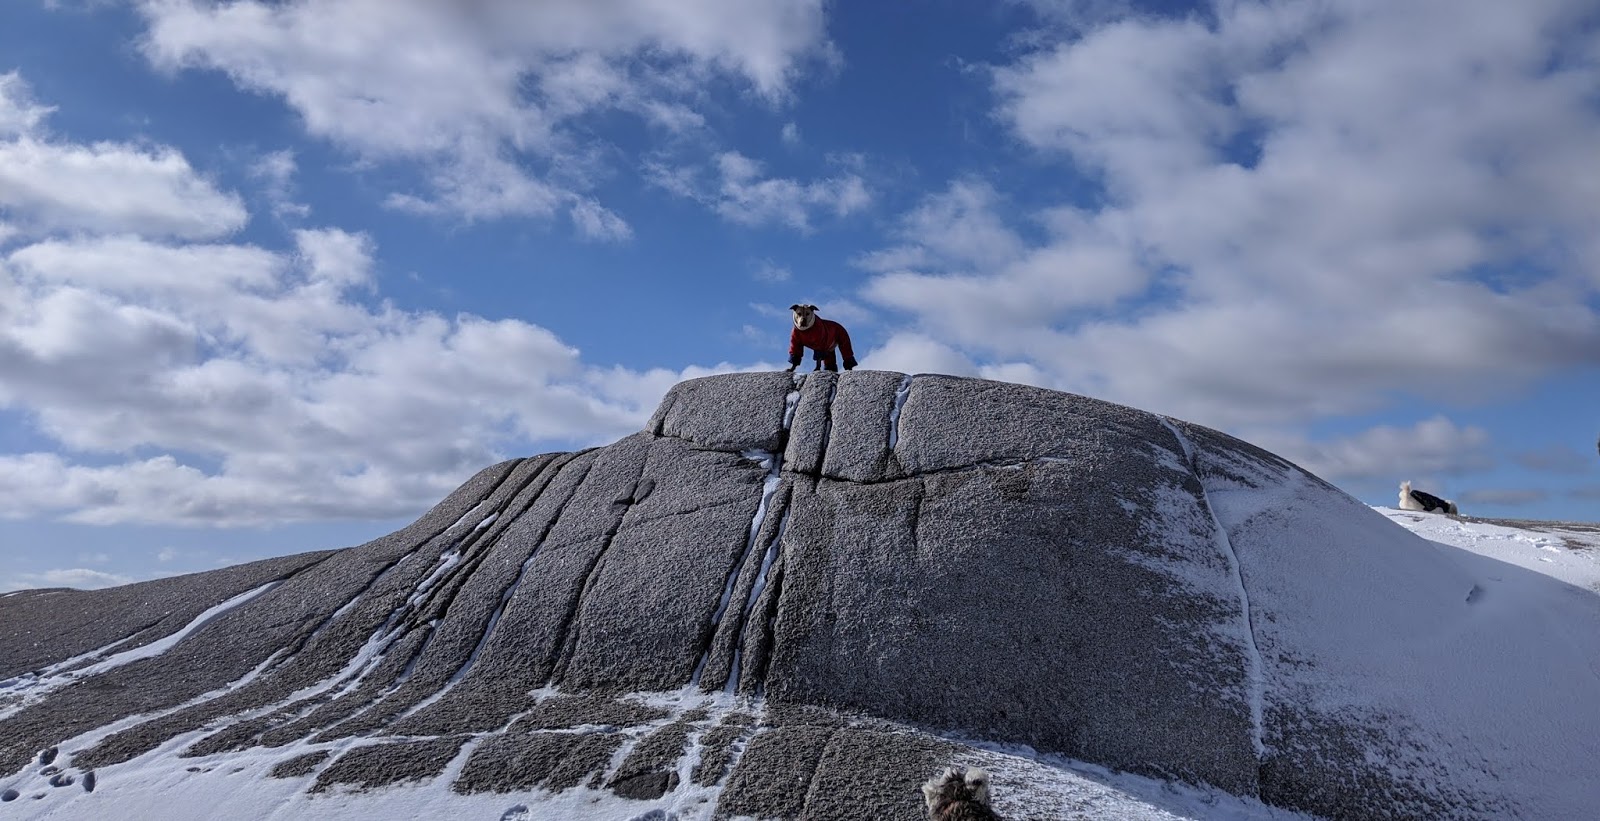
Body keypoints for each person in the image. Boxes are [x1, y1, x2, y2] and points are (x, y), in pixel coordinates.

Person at [786, 303, 857, 372]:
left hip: (837, 332)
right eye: (799, 314)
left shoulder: (818, 329)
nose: (803, 318)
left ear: (812, 313)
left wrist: (818, 367)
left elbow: (820, 347)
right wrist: (793, 367)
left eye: (807, 314)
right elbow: (795, 349)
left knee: (844, 349)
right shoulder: (796, 332)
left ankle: (849, 367)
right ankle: (830, 369)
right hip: (826, 343)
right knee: (828, 356)